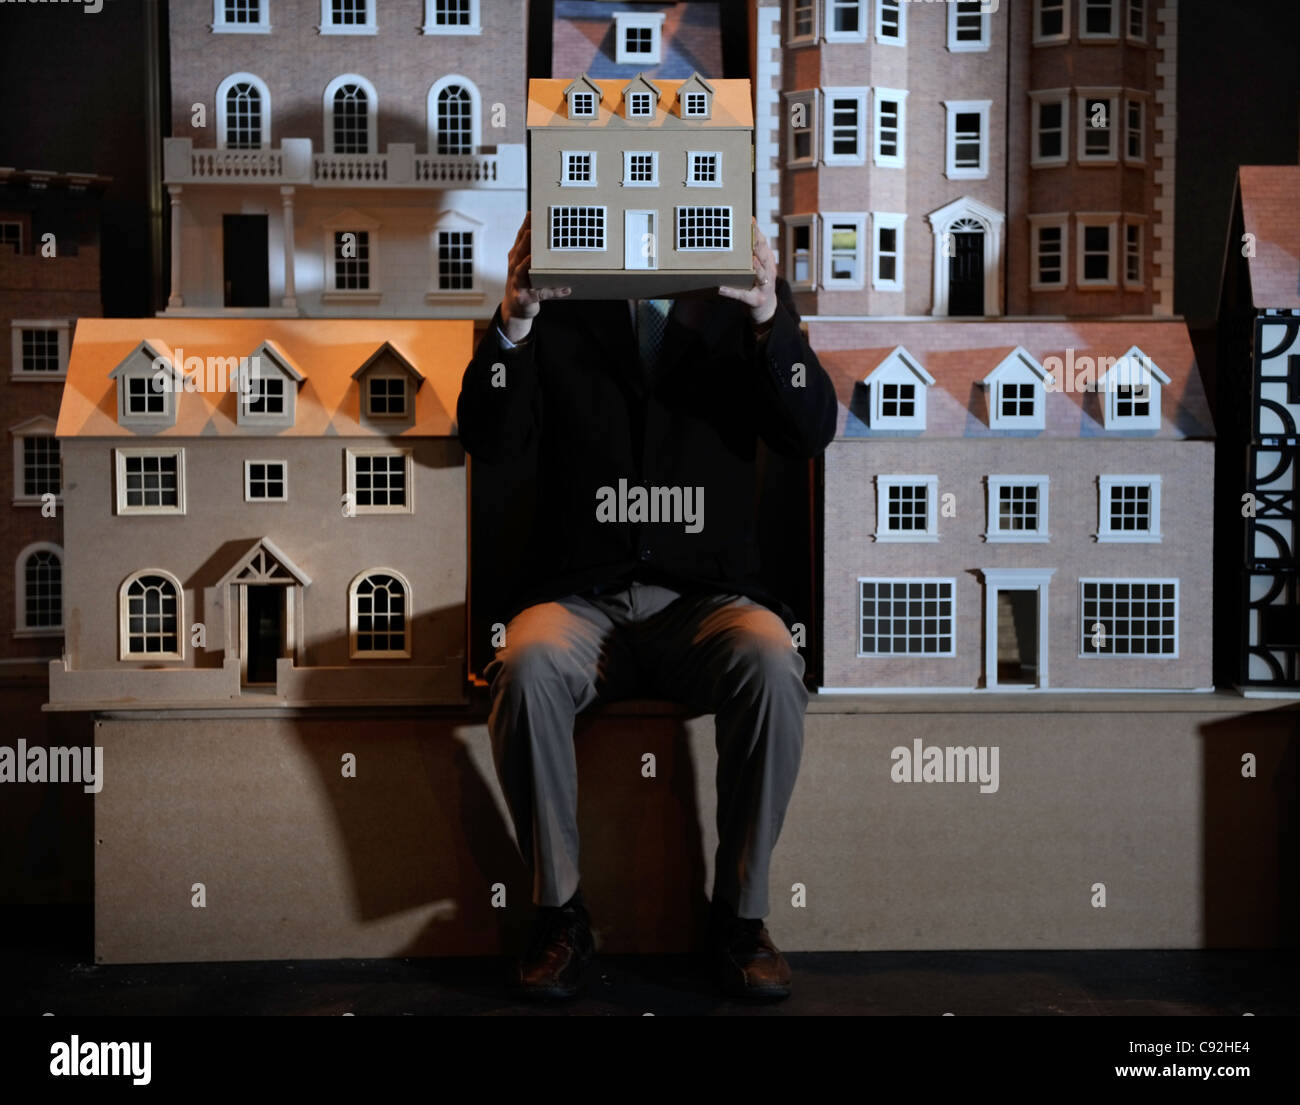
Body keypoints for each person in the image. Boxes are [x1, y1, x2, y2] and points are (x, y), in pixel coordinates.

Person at [456, 211, 837, 1000]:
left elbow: (810, 430)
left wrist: (771, 318)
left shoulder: (743, 296)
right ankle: (560, 913)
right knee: (524, 663)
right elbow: (487, 437)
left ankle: (741, 917)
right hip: (581, 597)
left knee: (771, 658)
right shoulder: (559, 289)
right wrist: (516, 321)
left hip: (707, 600)